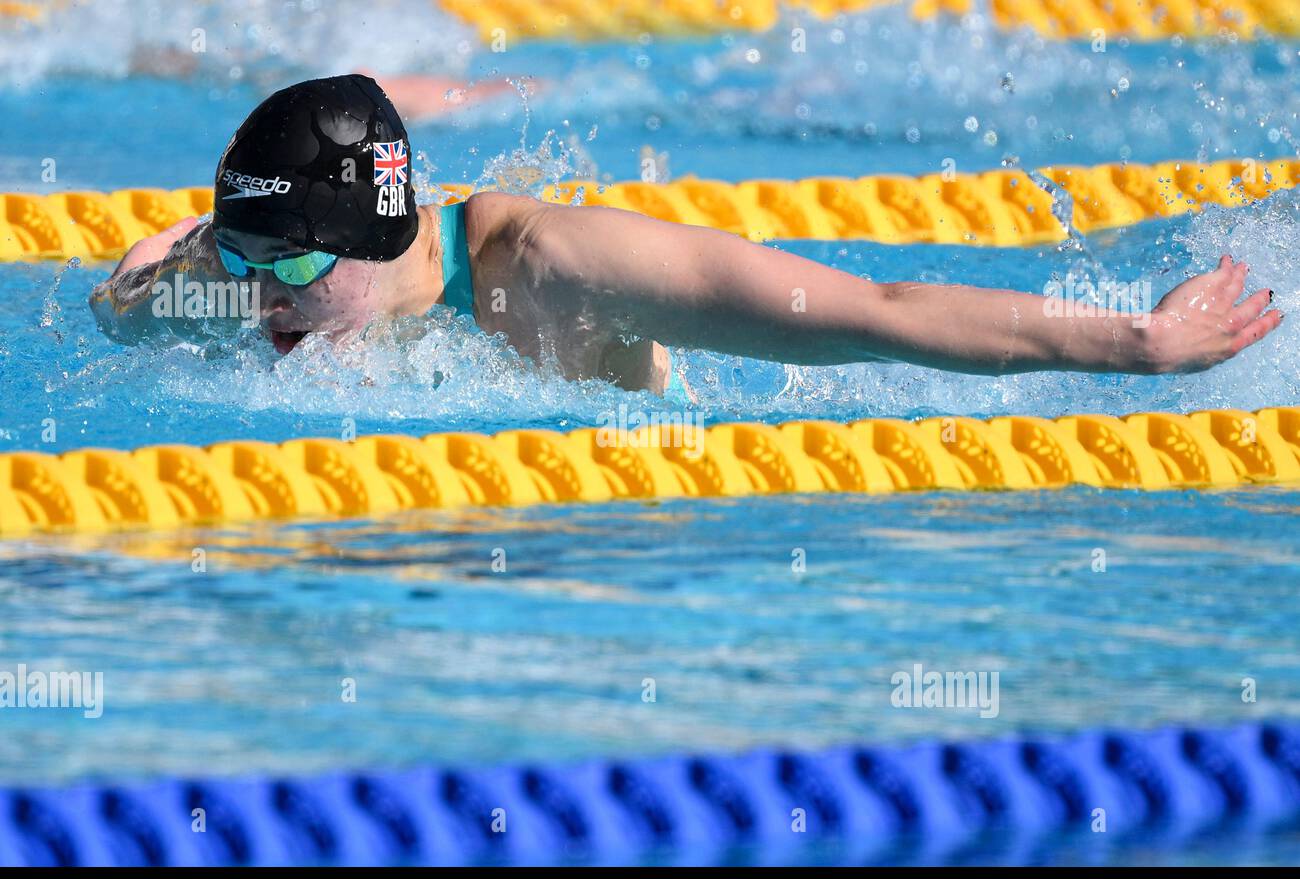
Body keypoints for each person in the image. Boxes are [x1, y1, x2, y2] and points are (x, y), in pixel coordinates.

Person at [90, 74, 1282, 401]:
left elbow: (877, 313)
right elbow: (124, 304)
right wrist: (171, 267)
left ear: (373, 233)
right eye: (242, 265)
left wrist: (1133, 341)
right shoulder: (256, 272)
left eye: (289, 268)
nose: (258, 306)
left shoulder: (561, 269)